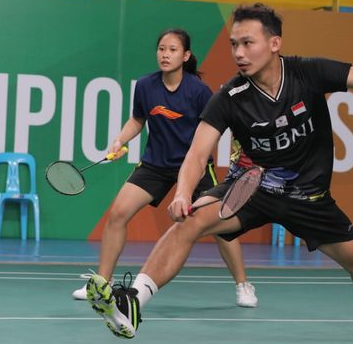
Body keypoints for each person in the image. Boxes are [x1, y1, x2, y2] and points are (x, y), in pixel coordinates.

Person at [86, 4, 353, 344]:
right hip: (254, 188)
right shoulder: (229, 97)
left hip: (308, 197)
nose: (239, 53)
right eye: (234, 44)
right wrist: (183, 193)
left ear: (274, 43)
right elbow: (198, 153)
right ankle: (134, 300)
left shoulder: (308, 73)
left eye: (248, 43)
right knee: (191, 221)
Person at [77, 28, 257, 313]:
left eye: (172, 50)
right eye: (162, 49)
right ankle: (103, 282)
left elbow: (212, 128)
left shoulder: (198, 91)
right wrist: (119, 140)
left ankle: (243, 284)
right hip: (155, 165)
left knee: (221, 226)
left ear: (185, 56)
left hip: (193, 168)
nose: (165, 54)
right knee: (118, 214)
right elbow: (137, 120)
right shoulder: (146, 85)